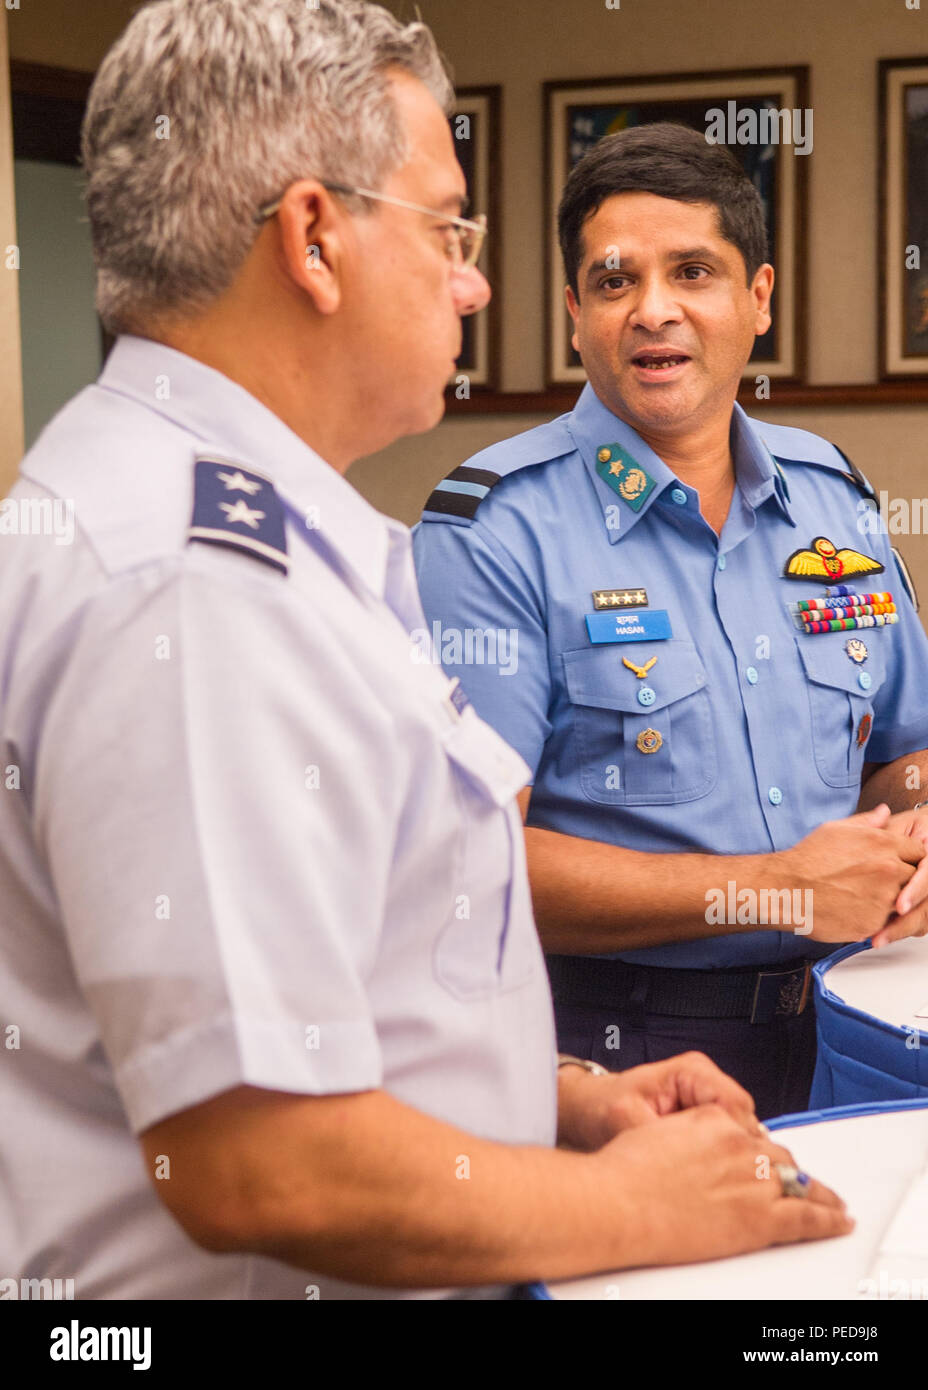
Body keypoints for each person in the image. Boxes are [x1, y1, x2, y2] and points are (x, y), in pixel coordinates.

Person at [0, 1, 862, 1301]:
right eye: (448, 225)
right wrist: (619, 1202)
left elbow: (343, 975)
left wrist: (556, 1096)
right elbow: (262, 1158)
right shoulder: (190, 587)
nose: (473, 280)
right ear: (313, 238)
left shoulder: (236, 530)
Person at [413, 122, 928, 1122]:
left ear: (758, 299)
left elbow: (904, 754)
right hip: (614, 1051)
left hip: (855, 1022)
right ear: (574, 313)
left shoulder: (834, 498)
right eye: (613, 281)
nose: (654, 310)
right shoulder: (491, 528)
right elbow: (465, 860)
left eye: (692, 271)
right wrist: (773, 886)